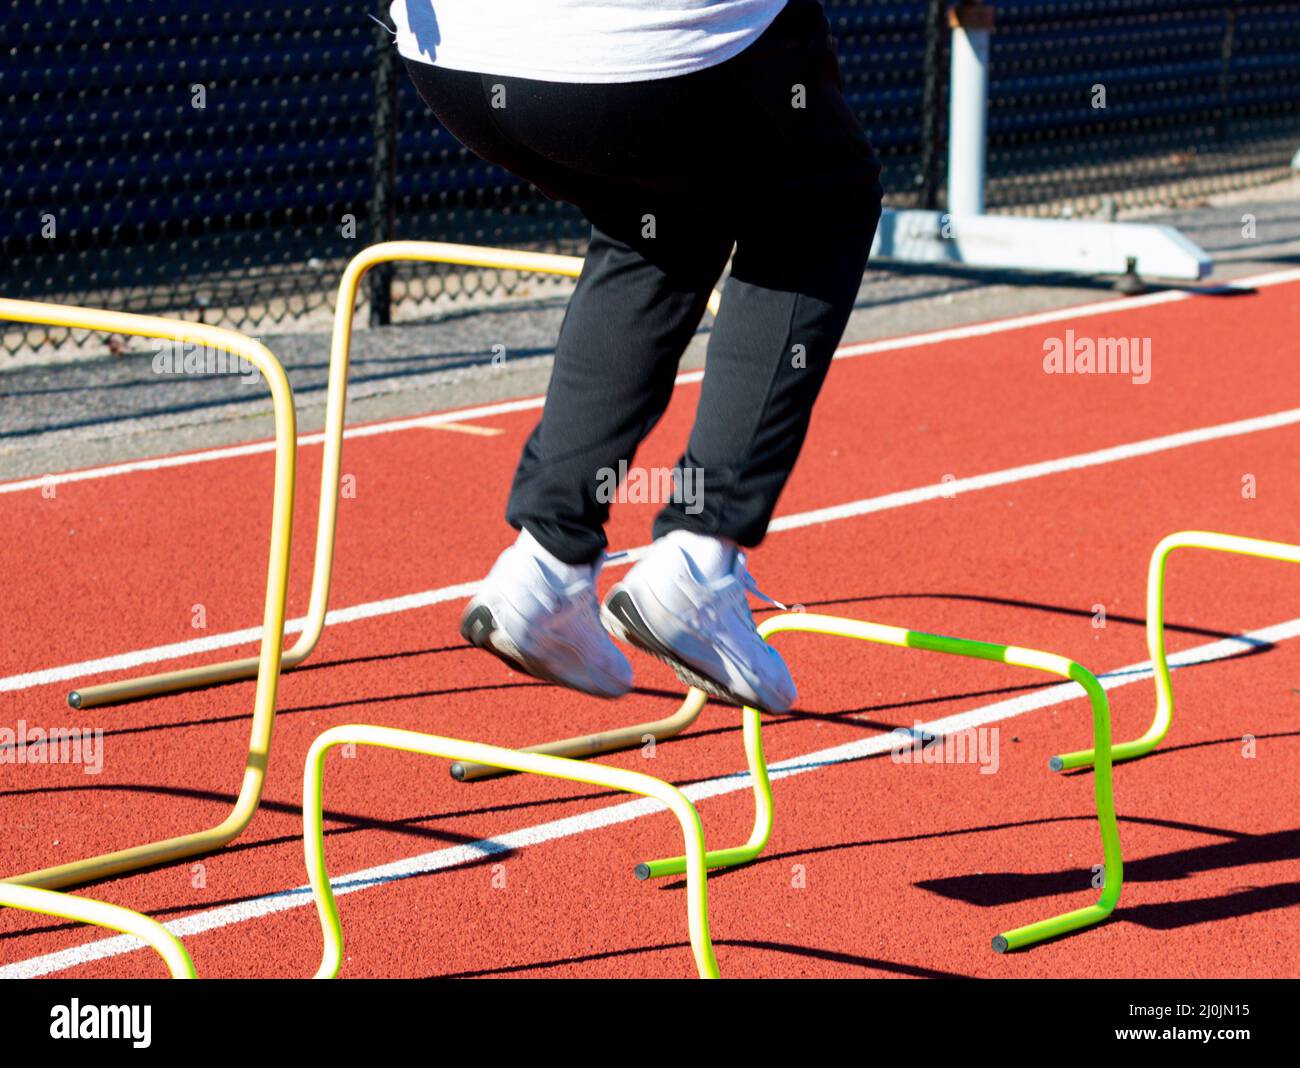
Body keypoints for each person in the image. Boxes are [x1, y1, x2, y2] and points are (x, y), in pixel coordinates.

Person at [391, 0, 883, 711]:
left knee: (660, 214)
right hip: (639, 54)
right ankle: (700, 556)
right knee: (819, 200)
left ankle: (546, 567)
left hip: (454, 66)